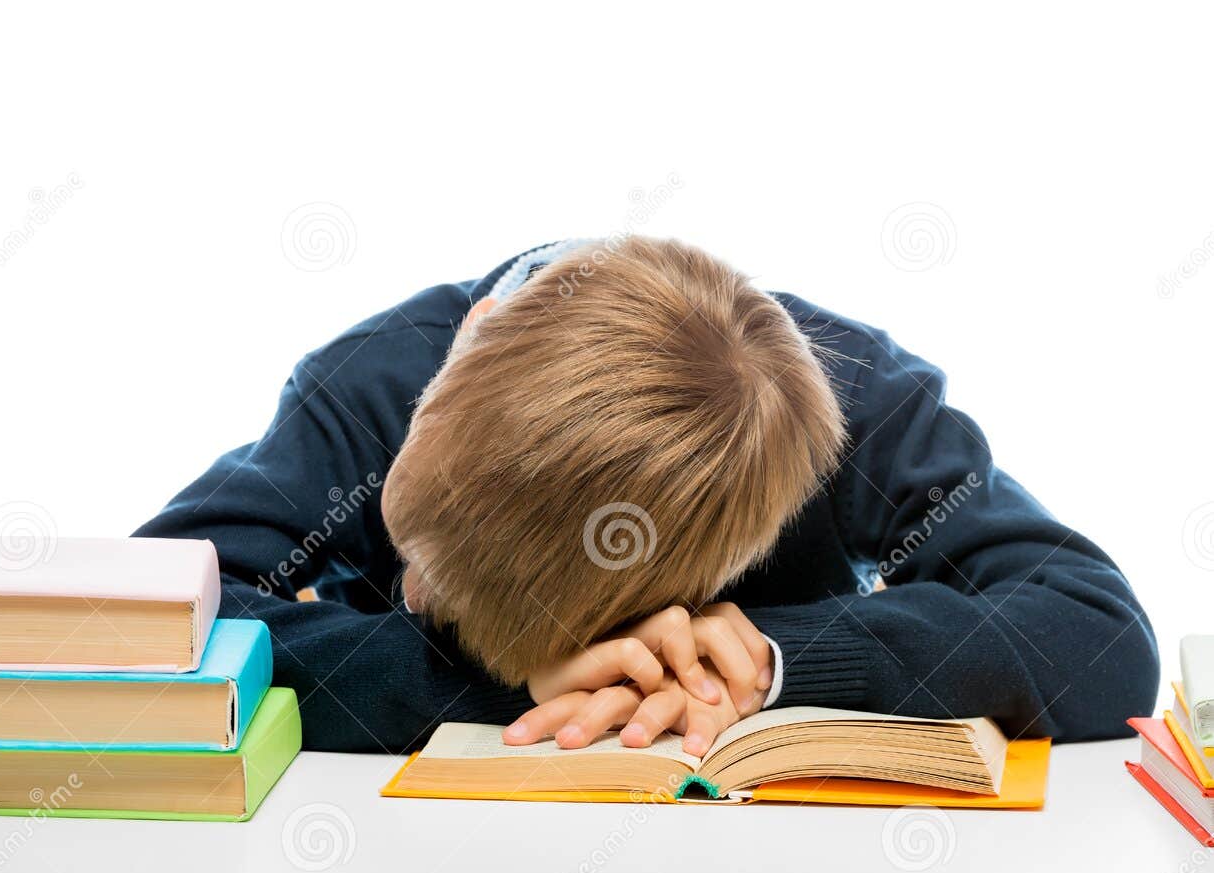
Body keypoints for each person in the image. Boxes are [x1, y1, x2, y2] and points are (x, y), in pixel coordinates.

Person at [137, 236, 1158, 753]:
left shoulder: (863, 399)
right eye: (430, 591)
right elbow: (140, 618)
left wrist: (771, 660)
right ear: (471, 335)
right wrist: (502, 682)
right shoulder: (371, 379)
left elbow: (1098, 634)